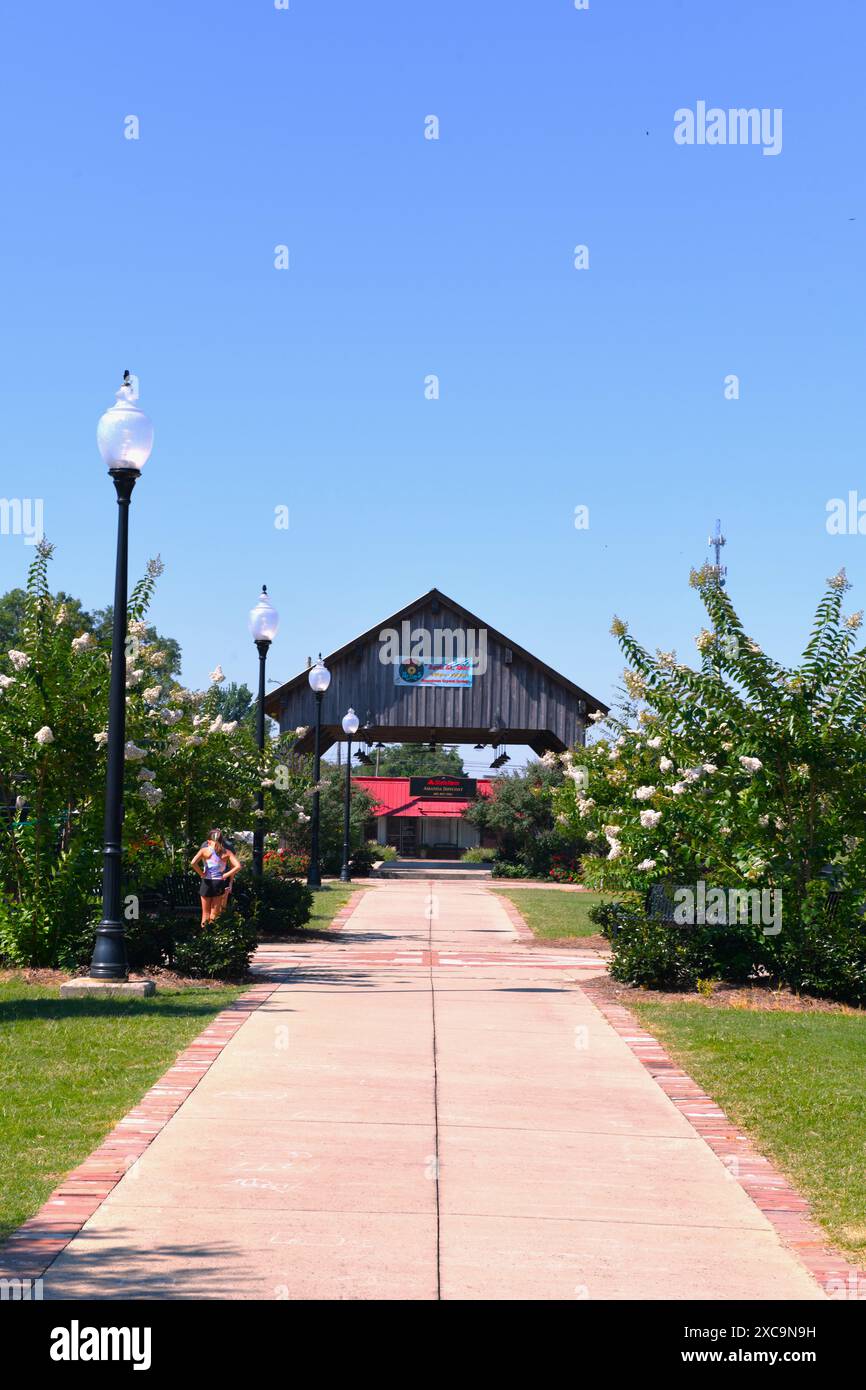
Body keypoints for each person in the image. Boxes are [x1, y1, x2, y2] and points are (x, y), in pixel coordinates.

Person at [190, 829, 241, 926]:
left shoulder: (204, 850)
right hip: (218, 883)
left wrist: (202, 874)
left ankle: (205, 937)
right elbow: (238, 866)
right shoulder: (227, 852)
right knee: (215, 913)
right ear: (222, 840)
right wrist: (225, 875)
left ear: (209, 840)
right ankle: (212, 935)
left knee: (205, 914)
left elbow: (193, 863)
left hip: (206, 883)